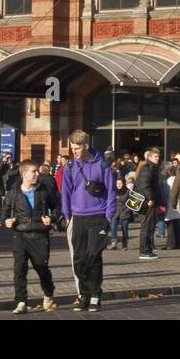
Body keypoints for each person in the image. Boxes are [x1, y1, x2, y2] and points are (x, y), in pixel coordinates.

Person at [60, 129, 115, 312]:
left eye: (77, 148)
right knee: (78, 258)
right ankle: (83, 294)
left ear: (86, 146)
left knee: (93, 256)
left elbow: (111, 191)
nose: (74, 151)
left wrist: (109, 215)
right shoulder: (70, 166)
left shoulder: (103, 165)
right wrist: (66, 215)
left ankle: (95, 294)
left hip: (98, 216)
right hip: (78, 217)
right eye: (72, 148)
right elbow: (66, 192)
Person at [3, 160, 59, 313]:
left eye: (37, 171)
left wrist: (51, 218)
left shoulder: (44, 190)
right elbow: (4, 211)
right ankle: (21, 301)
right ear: (24, 174)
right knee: (19, 269)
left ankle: (48, 293)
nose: (37, 174)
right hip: (20, 235)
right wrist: (6, 220)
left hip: (39, 235)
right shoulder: (13, 193)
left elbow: (57, 207)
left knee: (41, 267)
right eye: (34, 171)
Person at [134, 147, 163, 260]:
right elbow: (144, 185)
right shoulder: (148, 169)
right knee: (146, 226)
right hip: (147, 202)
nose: (157, 158)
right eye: (155, 156)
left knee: (150, 226)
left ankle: (148, 249)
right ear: (149, 157)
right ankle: (144, 251)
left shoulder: (152, 168)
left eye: (158, 156)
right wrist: (150, 198)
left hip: (150, 201)